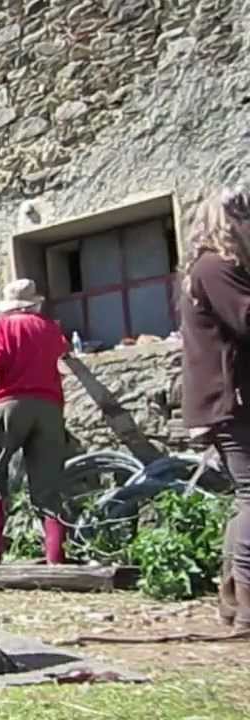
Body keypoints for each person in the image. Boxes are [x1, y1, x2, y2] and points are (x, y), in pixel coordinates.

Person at [179, 186, 250, 630]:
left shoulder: (204, 269)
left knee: (246, 498)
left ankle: (232, 595)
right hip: (232, 398)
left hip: (224, 398)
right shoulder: (216, 267)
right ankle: (246, 600)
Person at [0, 278, 71, 566]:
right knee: (47, 483)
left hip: (10, 404)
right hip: (49, 408)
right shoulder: (50, 328)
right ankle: (55, 554)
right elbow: (63, 353)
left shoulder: (2, 326)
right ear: (33, 304)